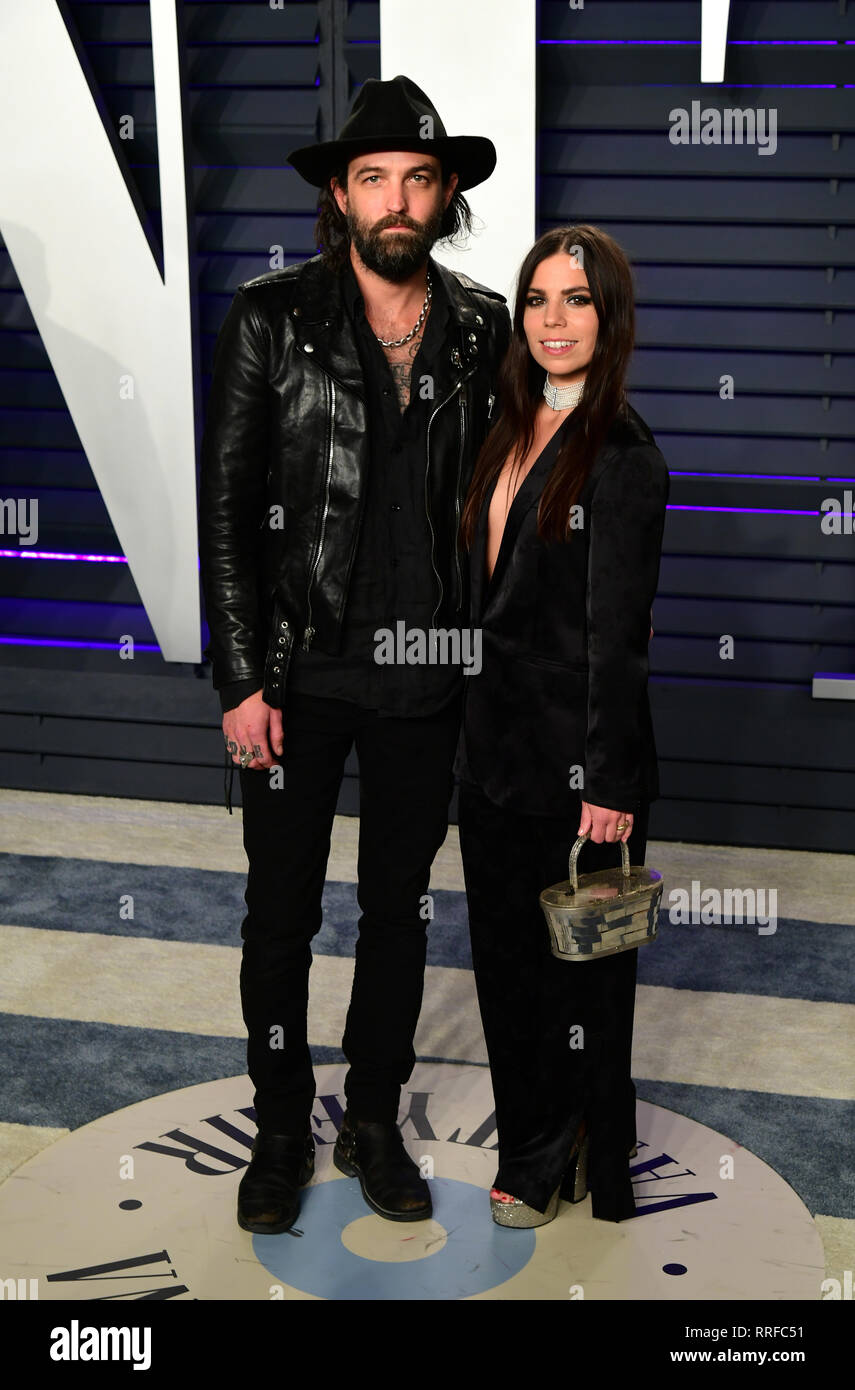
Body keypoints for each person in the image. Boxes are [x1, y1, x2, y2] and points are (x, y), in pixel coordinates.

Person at [198, 75, 510, 1235]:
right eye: (373, 177)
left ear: (446, 194)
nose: (397, 198)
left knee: (397, 910)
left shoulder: (484, 328)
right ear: (340, 193)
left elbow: (509, 507)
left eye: (418, 178)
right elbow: (228, 510)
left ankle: (371, 1116)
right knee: (279, 917)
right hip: (295, 675)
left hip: (426, 676)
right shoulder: (272, 318)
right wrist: (239, 679)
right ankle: (282, 1123)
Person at [455, 224, 669, 1227]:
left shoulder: (623, 456)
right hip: (490, 751)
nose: (552, 319)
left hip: (576, 763)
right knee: (502, 961)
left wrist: (612, 784)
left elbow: (619, 640)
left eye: (576, 299)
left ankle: (562, 1150)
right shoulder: (507, 427)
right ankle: (536, 1126)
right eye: (537, 298)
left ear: (609, 316)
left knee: (580, 973)